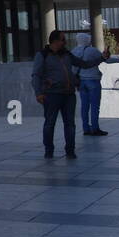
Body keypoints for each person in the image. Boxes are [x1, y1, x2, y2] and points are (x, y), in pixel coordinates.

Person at [32, 30, 90, 159]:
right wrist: (38, 93)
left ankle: (70, 150)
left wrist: (102, 58)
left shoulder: (66, 54)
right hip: (52, 94)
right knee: (50, 123)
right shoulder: (43, 55)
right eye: (63, 39)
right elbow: (36, 75)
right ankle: (48, 150)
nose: (65, 42)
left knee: (70, 124)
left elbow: (84, 64)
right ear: (55, 41)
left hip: (69, 94)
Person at [71, 32, 119, 136]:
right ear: (87, 40)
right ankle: (95, 128)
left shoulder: (74, 51)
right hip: (93, 80)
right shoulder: (92, 50)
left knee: (84, 106)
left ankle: (86, 128)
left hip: (81, 81)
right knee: (95, 106)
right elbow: (106, 60)